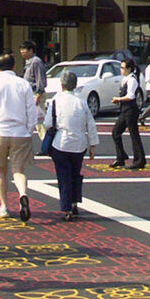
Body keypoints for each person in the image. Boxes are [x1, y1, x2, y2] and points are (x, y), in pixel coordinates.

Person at [0, 52, 40, 220]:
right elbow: (31, 109)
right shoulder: (23, 84)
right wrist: (29, 129)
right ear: (14, 66)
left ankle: (4, 206)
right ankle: (23, 194)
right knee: (19, 170)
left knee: (0, 170)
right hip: (20, 131)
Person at [45, 70, 99, 220]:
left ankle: (67, 207)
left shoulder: (55, 100)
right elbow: (90, 123)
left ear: (61, 84)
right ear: (75, 85)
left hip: (61, 143)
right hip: (79, 144)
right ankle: (75, 202)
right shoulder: (81, 101)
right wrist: (92, 144)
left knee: (64, 176)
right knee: (76, 174)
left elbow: (48, 123)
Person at [109, 57, 146, 170]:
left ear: (129, 69)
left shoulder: (132, 80)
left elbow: (131, 96)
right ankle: (121, 157)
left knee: (134, 135)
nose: (121, 70)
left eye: (123, 68)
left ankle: (139, 160)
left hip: (131, 110)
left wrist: (118, 99)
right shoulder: (125, 79)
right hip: (125, 110)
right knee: (116, 132)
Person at [21, 40, 47, 107]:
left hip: (36, 95)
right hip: (29, 94)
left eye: (24, 49)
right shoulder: (28, 62)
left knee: (38, 116)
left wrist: (37, 96)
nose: (22, 52)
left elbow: (40, 80)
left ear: (31, 50)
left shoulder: (36, 61)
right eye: (21, 49)